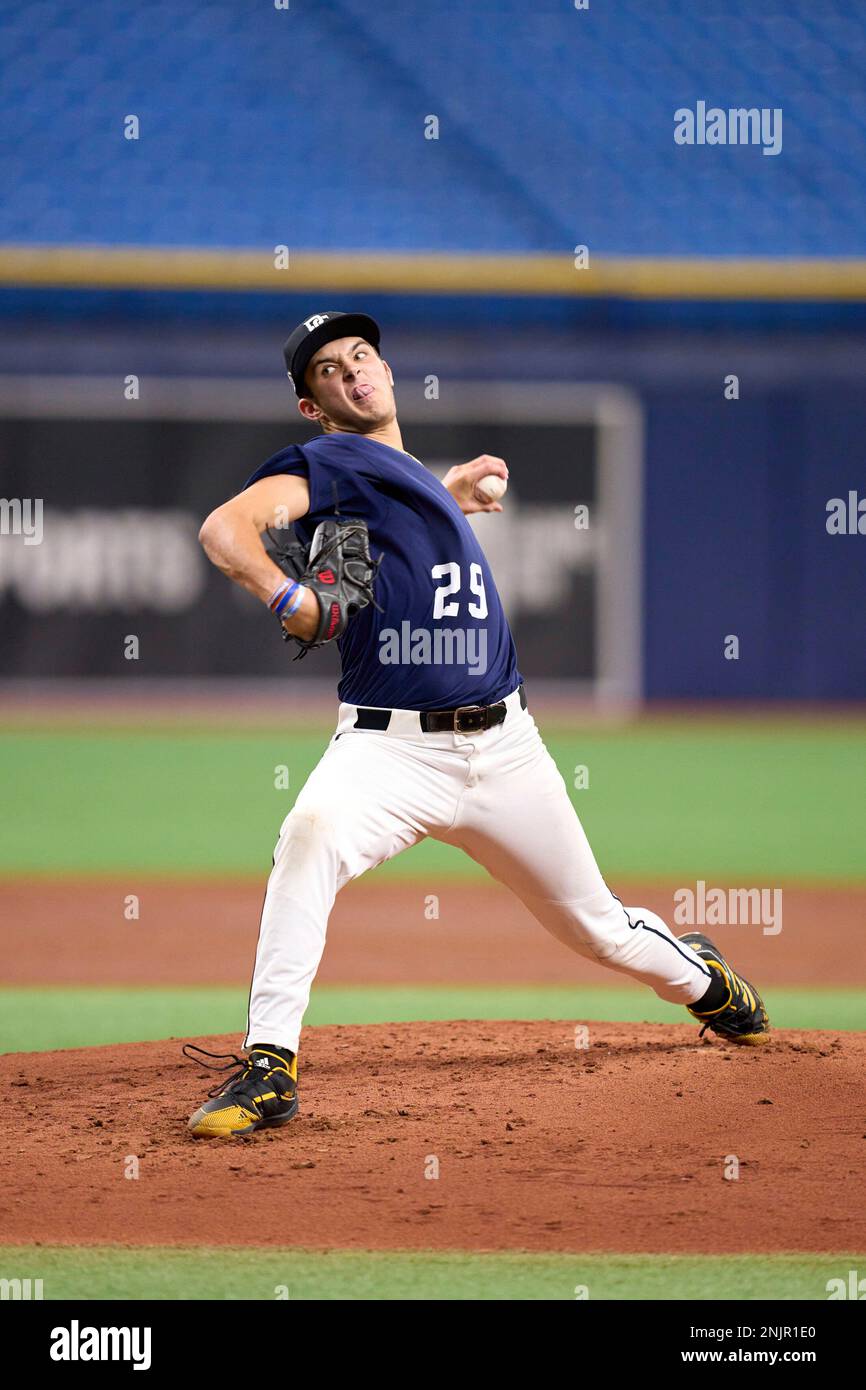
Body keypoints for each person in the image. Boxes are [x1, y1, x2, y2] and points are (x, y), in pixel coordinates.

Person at [186, 311, 769, 1138]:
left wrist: (447, 497)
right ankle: (270, 1066)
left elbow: (376, 564)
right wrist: (290, 596)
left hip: (504, 750)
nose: (354, 372)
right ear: (313, 408)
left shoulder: (398, 481)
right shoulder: (330, 463)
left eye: (362, 356)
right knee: (310, 834)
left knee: (598, 929)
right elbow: (225, 530)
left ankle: (707, 983)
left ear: (386, 371)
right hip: (388, 752)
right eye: (328, 371)